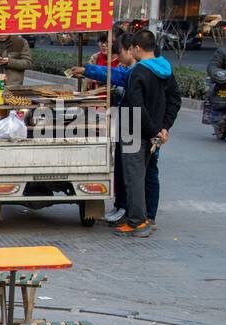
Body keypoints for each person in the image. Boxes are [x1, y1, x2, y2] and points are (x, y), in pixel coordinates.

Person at [116, 30, 181, 238]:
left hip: (134, 130)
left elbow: (136, 107)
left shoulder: (139, 72)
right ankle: (145, 217)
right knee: (144, 174)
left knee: (134, 177)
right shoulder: (165, 69)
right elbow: (175, 100)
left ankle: (137, 223)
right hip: (155, 131)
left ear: (136, 48)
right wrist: (164, 128)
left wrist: (155, 130)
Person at [71, 31, 135, 224]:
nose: (107, 47)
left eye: (117, 48)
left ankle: (135, 214)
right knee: (121, 164)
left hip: (130, 121)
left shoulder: (137, 70)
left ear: (133, 50)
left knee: (132, 169)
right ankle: (124, 207)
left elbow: (115, 75)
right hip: (108, 113)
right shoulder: (132, 67)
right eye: (103, 43)